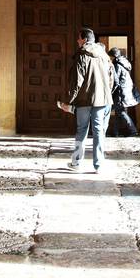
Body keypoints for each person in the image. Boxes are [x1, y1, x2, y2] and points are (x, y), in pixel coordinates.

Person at [61, 28, 113, 171]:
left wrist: (69, 100)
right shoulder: (104, 55)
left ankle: (76, 163)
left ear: (84, 39)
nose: (77, 41)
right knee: (99, 131)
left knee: (81, 130)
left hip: (84, 99)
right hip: (102, 99)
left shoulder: (82, 55)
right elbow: (111, 77)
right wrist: (107, 93)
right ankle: (99, 165)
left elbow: (77, 81)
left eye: (79, 38)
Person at [108, 47, 140, 137]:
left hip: (120, 91)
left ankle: (133, 130)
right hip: (125, 90)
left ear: (113, 56)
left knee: (121, 111)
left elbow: (116, 80)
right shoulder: (124, 62)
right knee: (119, 112)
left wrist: (111, 91)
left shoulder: (117, 64)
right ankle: (115, 132)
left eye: (110, 57)